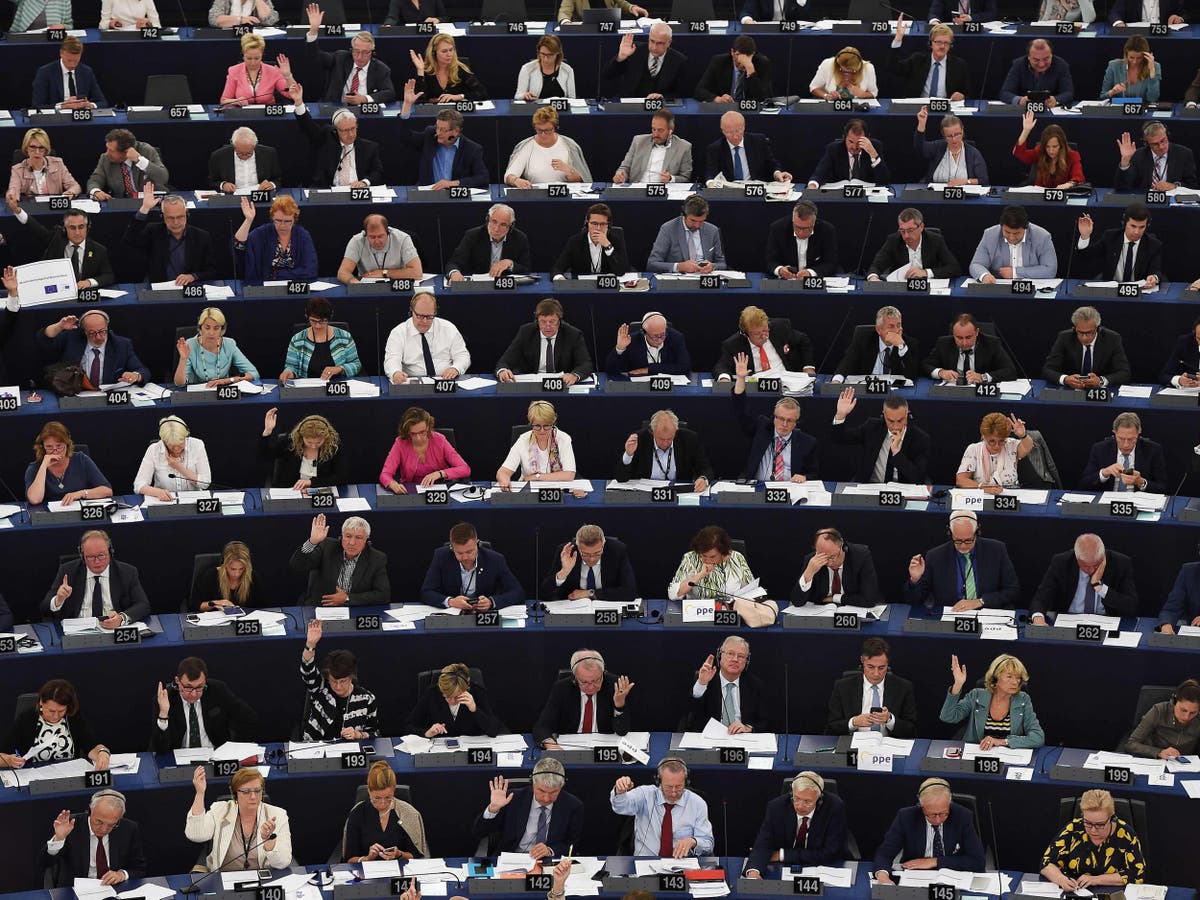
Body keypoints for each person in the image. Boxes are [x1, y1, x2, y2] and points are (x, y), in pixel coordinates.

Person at [872, 779, 986, 883]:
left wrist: (935, 861)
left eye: (943, 813)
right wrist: (882, 876)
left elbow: (977, 862)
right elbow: (884, 854)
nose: (938, 819)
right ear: (921, 807)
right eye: (931, 815)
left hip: (953, 876)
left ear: (949, 804)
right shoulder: (906, 817)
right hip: (915, 876)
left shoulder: (962, 816)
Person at [905, 510, 1020, 610]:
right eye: (958, 541)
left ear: (977, 532)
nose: (964, 546)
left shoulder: (996, 550)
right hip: (952, 614)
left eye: (969, 540)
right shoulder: (935, 556)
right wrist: (915, 580)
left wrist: (980, 601)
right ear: (950, 533)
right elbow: (914, 601)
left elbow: (1012, 591)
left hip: (987, 612)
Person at [186, 766, 291, 871]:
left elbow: (282, 863)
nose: (253, 796)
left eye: (258, 790)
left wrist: (269, 842)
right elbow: (196, 835)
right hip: (223, 879)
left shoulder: (278, 815)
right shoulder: (220, 810)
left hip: (262, 881)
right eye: (246, 792)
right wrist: (200, 793)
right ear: (235, 793)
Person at [732, 353, 818, 482]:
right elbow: (742, 411)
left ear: (796, 423)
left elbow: (814, 473)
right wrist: (740, 378)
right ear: (774, 417)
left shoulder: (807, 442)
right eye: (780, 418)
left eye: (789, 420)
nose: (784, 424)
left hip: (789, 491)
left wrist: (804, 477)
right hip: (757, 488)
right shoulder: (761, 429)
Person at [473, 759, 583, 858]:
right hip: (512, 860)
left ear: (561, 787)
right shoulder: (513, 799)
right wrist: (493, 809)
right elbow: (479, 833)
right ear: (533, 784)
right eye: (542, 791)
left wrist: (551, 850)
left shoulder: (573, 806)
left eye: (553, 792)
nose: (546, 798)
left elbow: (573, 844)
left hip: (550, 863)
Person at [744, 771, 847, 876]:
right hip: (782, 868)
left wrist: (782, 855)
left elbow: (830, 852)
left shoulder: (834, 808)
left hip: (821, 867)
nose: (800, 806)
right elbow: (763, 843)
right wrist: (753, 871)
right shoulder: (776, 807)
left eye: (807, 802)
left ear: (819, 799)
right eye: (796, 798)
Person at [670, 530, 779, 630]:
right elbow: (673, 594)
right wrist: (700, 574)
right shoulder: (690, 558)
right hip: (699, 618)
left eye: (712, 556)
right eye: (703, 555)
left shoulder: (737, 558)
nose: (707, 560)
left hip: (730, 619)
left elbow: (751, 589)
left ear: (724, 553)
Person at [1040, 789, 1146, 888]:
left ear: (1112, 818)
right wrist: (1061, 880)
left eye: (1100, 825)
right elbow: (1047, 863)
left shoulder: (1126, 834)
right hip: (1076, 892)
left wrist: (1096, 880)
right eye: (1088, 823)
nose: (1093, 830)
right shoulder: (1073, 829)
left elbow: (1136, 873)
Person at [151, 656, 259, 752]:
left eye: (199, 687)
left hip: (216, 755)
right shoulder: (165, 699)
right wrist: (164, 714)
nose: (193, 694)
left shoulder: (217, 690)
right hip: (178, 758)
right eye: (188, 687)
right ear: (177, 681)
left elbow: (249, 719)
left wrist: (236, 748)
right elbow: (160, 749)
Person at [41, 789, 145, 887]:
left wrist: (122, 874)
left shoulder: (128, 828)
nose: (104, 829)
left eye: (111, 825)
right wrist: (59, 838)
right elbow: (45, 862)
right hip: (75, 890)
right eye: (99, 822)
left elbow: (139, 868)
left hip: (113, 889)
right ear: (90, 810)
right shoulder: (70, 825)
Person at [610, 758, 714, 857]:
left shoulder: (697, 804)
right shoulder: (644, 795)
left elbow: (708, 844)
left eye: (678, 787)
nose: (673, 793)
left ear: (686, 782)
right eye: (668, 787)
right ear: (658, 781)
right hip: (646, 863)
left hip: (682, 863)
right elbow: (620, 806)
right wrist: (620, 791)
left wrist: (694, 842)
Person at [288, 82, 383, 188]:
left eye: (353, 129)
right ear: (336, 130)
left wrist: (365, 182)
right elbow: (309, 128)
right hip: (330, 193)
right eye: (345, 130)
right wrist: (299, 103)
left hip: (357, 194)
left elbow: (377, 172)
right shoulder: (325, 141)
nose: (351, 134)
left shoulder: (369, 148)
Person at [940, 653, 1045, 748]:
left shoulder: (1023, 699)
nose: (1015, 682)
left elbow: (1038, 738)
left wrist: (1002, 741)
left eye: (1018, 678)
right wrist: (958, 685)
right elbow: (947, 717)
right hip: (977, 753)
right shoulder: (976, 695)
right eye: (1009, 677)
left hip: (1008, 756)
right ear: (995, 678)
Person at [0, 679, 109, 770]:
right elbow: (3, 756)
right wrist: (9, 760)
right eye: (51, 711)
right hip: (33, 776)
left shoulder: (73, 717)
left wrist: (102, 752)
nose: (56, 716)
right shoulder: (26, 719)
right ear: (41, 702)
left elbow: (90, 744)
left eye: (61, 711)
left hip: (69, 773)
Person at [533, 647, 635, 742]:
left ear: (602, 673)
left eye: (596, 680)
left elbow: (622, 731)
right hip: (571, 746)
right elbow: (542, 727)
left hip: (604, 747)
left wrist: (619, 706)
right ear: (575, 678)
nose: (591, 687)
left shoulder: (616, 687)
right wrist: (551, 744)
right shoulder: (561, 689)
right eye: (584, 682)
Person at [1030, 533, 1138, 622]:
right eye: (1086, 566)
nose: (1091, 570)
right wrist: (1038, 618)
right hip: (1069, 621)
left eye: (1096, 565)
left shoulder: (1120, 564)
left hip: (1106, 622)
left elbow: (1131, 606)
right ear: (1077, 559)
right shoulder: (1062, 563)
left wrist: (1100, 587)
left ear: (1103, 556)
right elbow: (1041, 598)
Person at [299, 619, 379, 737]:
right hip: (317, 748)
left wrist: (358, 735)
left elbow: (375, 734)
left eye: (343, 681)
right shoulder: (320, 688)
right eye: (333, 681)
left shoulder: (367, 699)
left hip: (349, 751)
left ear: (351, 676)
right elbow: (307, 670)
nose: (338, 686)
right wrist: (310, 644)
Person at [8, 202, 115, 289]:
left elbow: (109, 276)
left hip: (84, 294)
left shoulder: (98, 250)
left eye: (81, 227)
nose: (77, 232)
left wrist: (89, 282)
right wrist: (17, 211)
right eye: (72, 228)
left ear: (88, 227)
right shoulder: (57, 239)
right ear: (65, 229)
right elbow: (37, 229)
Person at [831, 390, 931, 484]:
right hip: (870, 487)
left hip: (903, 490)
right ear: (883, 415)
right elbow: (840, 438)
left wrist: (896, 452)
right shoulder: (872, 427)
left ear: (907, 415)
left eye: (900, 420)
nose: (895, 426)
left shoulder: (921, 439)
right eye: (891, 421)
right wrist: (840, 415)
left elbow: (918, 478)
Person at [125, 186, 218, 287]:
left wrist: (193, 276)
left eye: (180, 217)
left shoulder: (201, 237)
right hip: (159, 288)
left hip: (189, 289)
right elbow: (130, 240)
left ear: (187, 215)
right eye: (170, 218)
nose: (176, 222)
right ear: (162, 217)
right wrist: (145, 208)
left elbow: (212, 271)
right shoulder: (153, 231)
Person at [302, 5, 395, 105]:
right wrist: (313, 30)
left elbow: (389, 93)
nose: (359, 57)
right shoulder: (340, 58)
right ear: (351, 50)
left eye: (364, 52)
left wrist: (364, 99)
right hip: (337, 110)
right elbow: (315, 56)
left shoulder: (381, 69)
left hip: (363, 113)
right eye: (356, 51)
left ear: (372, 52)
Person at [290, 515, 389, 608]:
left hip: (353, 610)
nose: (352, 543)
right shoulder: (326, 547)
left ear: (366, 539)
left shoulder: (376, 558)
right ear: (342, 536)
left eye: (358, 537)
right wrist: (312, 542)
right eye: (348, 536)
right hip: (320, 608)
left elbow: (383, 595)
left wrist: (347, 598)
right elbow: (297, 566)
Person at [420, 522, 524, 610]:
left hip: (483, 616)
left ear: (477, 544)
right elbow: (426, 592)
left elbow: (517, 591)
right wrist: (451, 602)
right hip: (454, 613)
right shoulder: (441, 557)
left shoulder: (495, 559)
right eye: (459, 553)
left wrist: (491, 602)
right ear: (452, 547)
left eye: (469, 552)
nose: (465, 557)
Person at [826, 637, 918, 737]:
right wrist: (853, 722)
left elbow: (911, 730)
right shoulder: (843, 687)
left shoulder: (903, 688)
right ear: (862, 661)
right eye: (871, 667)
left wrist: (890, 720)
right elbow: (831, 728)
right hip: (854, 746)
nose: (876, 673)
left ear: (888, 664)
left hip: (887, 747)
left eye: (881, 668)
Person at [41, 310, 149, 389]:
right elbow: (43, 340)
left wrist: (136, 376)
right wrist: (59, 327)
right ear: (84, 332)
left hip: (108, 397)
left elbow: (143, 371)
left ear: (107, 327)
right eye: (92, 333)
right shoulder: (72, 339)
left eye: (102, 331)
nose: (99, 337)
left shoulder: (121, 345)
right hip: (75, 393)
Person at [398, 99, 491, 190]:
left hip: (454, 196)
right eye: (437, 128)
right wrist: (407, 104)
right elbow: (405, 136)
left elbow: (483, 177)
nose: (438, 132)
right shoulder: (430, 136)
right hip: (428, 192)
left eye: (443, 130)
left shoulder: (471, 149)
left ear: (455, 132)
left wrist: (452, 184)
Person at [343, 760, 425, 863]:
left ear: (394, 791)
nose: (382, 803)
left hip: (401, 873)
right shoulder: (358, 813)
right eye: (376, 798)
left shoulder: (409, 813)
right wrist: (367, 858)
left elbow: (417, 856)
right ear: (369, 791)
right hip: (367, 875)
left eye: (388, 798)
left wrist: (399, 854)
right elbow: (349, 859)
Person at [495, 298, 593, 385]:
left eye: (552, 321)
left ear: (559, 320)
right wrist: (502, 371)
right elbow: (504, 361)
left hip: (560, 385)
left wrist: (574, 375)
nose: (547, 326)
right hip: (532, 384)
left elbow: (586, 364)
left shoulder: (572, 334)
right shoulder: (526, 332)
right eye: (543, 321)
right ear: (537, 320)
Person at [684, 635, 770, 730]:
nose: (735, 659)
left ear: (747, 661)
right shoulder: (705, 679)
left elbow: (765, 722)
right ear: (720, 656)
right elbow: (689, 713)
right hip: (709, 738)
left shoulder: (755, 685)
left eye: (741, 656)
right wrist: (702, 684)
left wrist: (748, 728)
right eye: (730, 654)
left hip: (743, 739)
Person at [379, 406, 471, 493]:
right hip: (411, 490)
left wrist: (440, 473)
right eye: (413, 434)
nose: (418, 438)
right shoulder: (400, 443)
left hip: (440, 489)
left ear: (428, 427)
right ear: (407, 431)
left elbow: (465, 469)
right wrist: (392, 484)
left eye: (422, 432)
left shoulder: (440, 440)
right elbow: (385, 474)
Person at [616, 410, 713, 493]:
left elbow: (705, 468)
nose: (665, 443)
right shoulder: (639, 440)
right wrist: (628, 455)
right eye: (661, 439)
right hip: (646, 494)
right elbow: (621, 477)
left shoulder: (689, 439)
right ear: (652, 432)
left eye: (669, 438)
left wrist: (704, 479)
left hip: (679, 493)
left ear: (675, 431)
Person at [383, 293, 470, 384]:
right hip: (414, 384)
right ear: (411, 311)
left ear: (435, 313)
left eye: (429, 317)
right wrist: (395, 372)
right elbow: (392, 359)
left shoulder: (448, 328)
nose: (424, 321)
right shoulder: (398, 332)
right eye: (420, 316)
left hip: (445, 382)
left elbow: (462, 355)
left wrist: (455, 368)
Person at [539, 528, 638, 604]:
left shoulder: (617, 551)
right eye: (585, 554)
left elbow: (630, 591)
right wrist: (563, 572)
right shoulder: (567, 553)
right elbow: (544, 593)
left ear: (603, 545)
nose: (592, 559)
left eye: (597, 553)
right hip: (573, 609)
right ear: (578, 547)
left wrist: (590, 593)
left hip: (607, 607)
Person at [712, 306, 814, 380]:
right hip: (757, 386)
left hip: (787, 381)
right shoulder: (733, 344)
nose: (764, 335)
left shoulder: (780, 328)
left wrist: (808, 367)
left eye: (765, 330)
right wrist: (723, 379)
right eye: (757, 333)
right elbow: (721, 366)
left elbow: (803, 340)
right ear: (745, 333)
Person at [25, 421, 113, 506]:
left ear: (67, 444)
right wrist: (43, 466)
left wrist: (81, 493)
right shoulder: (35, 467)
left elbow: (107, 491)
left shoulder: (81, 460)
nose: (55, 451)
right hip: (50, 517)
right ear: (43, 447)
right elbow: (35, 499)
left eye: (59, 446)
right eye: (49, 447)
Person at [1040, 306, 1131, 389]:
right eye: (1080, 333)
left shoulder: (1112, 339)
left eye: (1088, 333)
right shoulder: (1065, 337)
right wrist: (1066, 379)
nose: (1084, 337)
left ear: (1097, 328)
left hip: (1100, 393)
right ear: (1075, 328)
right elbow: (1048, 369)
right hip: (1071, 391)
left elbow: (1124, 373)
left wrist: (1101, 381)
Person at [234, 195, 318, 285]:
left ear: (294, 219)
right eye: (278, 220)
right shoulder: (262, 233)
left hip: (294, 287)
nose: (282, 225)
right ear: (272, 217)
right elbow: (239, 246)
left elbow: (311, 269)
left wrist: (277, 275)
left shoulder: (302, 235)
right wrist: (248, 221)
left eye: (287, 221)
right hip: (265, 287)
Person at [496, 400, 580, 488]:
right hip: (529, 491)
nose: (542, 430)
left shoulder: (563, 439)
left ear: (553, 422)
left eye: (547, 425)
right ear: (531, 423)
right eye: (537, 426)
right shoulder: (523, 440)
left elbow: (569, 474)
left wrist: (537, 477)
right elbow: (503, 471)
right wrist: (504, 482)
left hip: (557, 491)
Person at [1073, 204, 1162, 286]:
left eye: (1141, 227)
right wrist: (1085, 236)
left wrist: (1154, 277)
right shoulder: (1111, 238)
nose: (1136, 232)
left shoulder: (1152, 244)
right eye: (1133, 226)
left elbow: (1156, 270)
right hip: (1111, 290)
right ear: (1124, 223)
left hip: (1139, 292)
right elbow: (1087, 256)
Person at [406, 661, 503, 737]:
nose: (452, 701)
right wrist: (427, 733)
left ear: (466, 689)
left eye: (457, 696)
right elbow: (409, 726)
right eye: (447, 696)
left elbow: (493, 730)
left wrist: (475, 710)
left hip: (470, 751)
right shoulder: (432, 693)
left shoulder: (477, 692)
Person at [791, 527, 882, 607]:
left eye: (832, 557)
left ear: (842, 546)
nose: (829, 563)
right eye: (823, 557)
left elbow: (870, 599)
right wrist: (808, 573)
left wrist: (835, 598)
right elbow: (797, 602)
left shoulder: (861, 556)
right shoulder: (812, 561)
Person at [280, 297, 363, 384]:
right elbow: (291, 366)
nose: (317, 326)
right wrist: (289, 372)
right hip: (308, 386)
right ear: (307, 317)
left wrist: (340, 369)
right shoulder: (297, 339)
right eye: (313, 321)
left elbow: (356, 364)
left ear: (329, 318)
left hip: (336, 385)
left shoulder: (344, 337)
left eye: (322, 321)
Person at [504, 106, 591, 188]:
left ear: (555, 127)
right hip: (536, 196)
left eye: (547, 130)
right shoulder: (526, 146)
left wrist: (569, 170)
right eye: (539, 130)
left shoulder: (569, 146)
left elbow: (583, 180)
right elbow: (509, 176)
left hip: (564, 196)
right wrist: (516, 180)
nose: (543, 134)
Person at [261, 409, 350, 490]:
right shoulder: (289, 443)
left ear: (326, 438)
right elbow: (265, 455)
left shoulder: (334, 448)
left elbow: (341, 477)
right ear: (301, 437)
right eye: (309, 442)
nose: (313, 446)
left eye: (318, 442)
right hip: (291, 491)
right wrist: (267, 431)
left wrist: (312, 482)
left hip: (320, 492)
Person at [1080, 411, 1166, 493]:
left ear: (1138, 434)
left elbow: (1163, 487)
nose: (1126, 444)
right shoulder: (1100, 449)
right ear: (1115, 433)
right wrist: (1104, 473)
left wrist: (1141, 482)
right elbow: (1084, 484)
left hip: (1138, 503)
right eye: (1121, 439)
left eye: (1131, 439)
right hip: (1109, 501)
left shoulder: (1153, 450)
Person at [831, 305, 921, 382]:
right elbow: (847, 363)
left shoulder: (909, 344)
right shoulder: (863, 337)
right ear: (879, 329)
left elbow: (911, 375)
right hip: (867, 389)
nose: (897, 330)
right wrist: (836, 380)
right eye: (891, 326)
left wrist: (902, 347)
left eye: (899, 325)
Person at [969, 205, 1058, 282]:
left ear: (1025, 228)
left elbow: (1050, 269)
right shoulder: (990, 235)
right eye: (1007, 232)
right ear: (1001, 226)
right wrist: (984, 276)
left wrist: (1015, 273)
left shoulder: (1042, 236)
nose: (1011, 237)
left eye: (1016, 233)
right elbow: (976, 264)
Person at [174, 307, 258, 388]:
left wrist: (226, 381)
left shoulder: (229, 344)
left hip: (223, 394)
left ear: (222, 330)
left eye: (216, 328)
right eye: (207, 328)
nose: (211, 333)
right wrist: (183, 359)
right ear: (200, 328)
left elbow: (254, 374)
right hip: (198, 395)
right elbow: (179, 383)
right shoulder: (190, 345)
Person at [887, 16, 969, 100]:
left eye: (946, 43)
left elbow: (968, 93)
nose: (942, 46)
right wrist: (898, 39)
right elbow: (894, 68)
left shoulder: (959, 65)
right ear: (930, 43)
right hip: (918, 107)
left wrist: (962, 96)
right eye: (938, 42)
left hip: (945, 108)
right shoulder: (917, 60)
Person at [867, 210, 960, 282]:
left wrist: (926, 272)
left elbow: (954, 268)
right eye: (902, 231)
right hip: (901, 289)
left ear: (921, 227)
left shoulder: (935, 240)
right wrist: (873, 277)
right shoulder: (894, 240)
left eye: (910, 230)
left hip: (928, 288)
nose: (906, 236)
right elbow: (876, 266)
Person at [924, 313, 1018, 385]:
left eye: (968, 337)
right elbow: (925, 365)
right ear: (953, 333)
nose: (964, 343)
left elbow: (1010, 371)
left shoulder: (991, 344)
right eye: (959, 338)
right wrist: (941, 372)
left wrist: (983, 377)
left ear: (977, 332)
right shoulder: (943, 343)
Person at [134, 414, 212, 501]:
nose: (176, 449)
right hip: (165, 502)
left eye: (180, 444)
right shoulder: (154, 450)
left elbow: (205, 483)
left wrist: (178, 467)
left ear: (186, 436)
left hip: (193, 502)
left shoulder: (197, 445)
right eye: (171, 445)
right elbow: (138, 485)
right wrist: (157, 492)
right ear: (164, 441)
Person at [600, 25, 688, 99]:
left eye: (660, 43)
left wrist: (663, 97)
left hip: (660, 108)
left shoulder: (679, 60)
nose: (654, 47)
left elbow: (681, 93)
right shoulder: (633, 50)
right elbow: (607, 74)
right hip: (630, 102)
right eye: (652, 41)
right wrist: (620, 57)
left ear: (669, 42)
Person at [446, 204, 531, 280]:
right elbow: (454, 262)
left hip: (505, 287)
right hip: (478, 287)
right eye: (494, 222)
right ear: (487, 220)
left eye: (503, 225)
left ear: (511, 226)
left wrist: (510, 263)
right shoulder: (473, 235)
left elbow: (526, 269)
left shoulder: (520, 238)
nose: (496, 229)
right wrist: (454, 273)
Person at [647, 194, 727, 274]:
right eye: (693, 220)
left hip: (705, 278)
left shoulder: (712, 230)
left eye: (701, 221)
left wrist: (712, 266)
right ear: (684, 215)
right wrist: (679, 266)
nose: (697, 225)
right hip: (678, 280)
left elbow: (722, 264)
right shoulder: (668, 229)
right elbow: (652, 264)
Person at [956, 412, 1034, 492]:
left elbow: (1027, 447)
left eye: (1001, 441)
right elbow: (961, 480)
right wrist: (983, 487)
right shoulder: (974, 449)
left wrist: (1023, 435)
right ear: (984, 436)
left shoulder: (1011, 445)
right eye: (992, 441)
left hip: (1010, 496)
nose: (997, 446)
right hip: (982, 496)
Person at [705, 110, 790, 182]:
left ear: (744, 127)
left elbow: (771, 163)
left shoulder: (759, 141)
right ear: (723, 131)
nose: (735, 136)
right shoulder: (715, 148)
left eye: (738, 131)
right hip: (730, 192)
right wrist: (710, 183)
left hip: (754, 189)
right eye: (730, 132)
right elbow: (711, 173)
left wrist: (777, 173)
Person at [336, 213, 422, 284]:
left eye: (380, 236)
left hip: (397, 285)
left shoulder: (403, 238)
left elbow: (417, 272)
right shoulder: (357, 241)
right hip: (367, 286)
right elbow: (343, 272)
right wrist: (353, 282)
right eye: (372, 237)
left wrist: (383, 273)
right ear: (365, 235)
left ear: (388, 232)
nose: (377, 241)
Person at [85, 128, 168, 201]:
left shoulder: (147, 151)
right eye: (107, 148)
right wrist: (96, 191)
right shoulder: (105, 158)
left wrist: (140, 160)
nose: (107, 153)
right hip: (122, 204)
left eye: (111, 151)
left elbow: (163, 178)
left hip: (150, 201)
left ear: (126, 152)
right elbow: (95, 180)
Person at [550, 203, 630, 279]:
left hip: (607, 288)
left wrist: (608, 246)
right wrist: (560, 279)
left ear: (608, 225)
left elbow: (622, 271)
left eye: (602, 224)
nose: (598, 228)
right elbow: (557, 268)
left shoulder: (614, 240)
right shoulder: (575, 242)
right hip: (583, 288)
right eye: (594, 223)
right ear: (587, 223)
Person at [612, 110, 693, 184]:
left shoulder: (683, 147)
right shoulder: (638, 141)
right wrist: (620, 175)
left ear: (670, 130)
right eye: (653, 129)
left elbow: (685, 177)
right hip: (638, 188)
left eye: (660, 130)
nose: (655, 134)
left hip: (663, 192)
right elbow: (625, 167)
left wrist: (671, 178)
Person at [1126, 679, 1200, 758]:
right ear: (1174, 701)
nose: (1186, 717)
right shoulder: (1159, 711)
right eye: (1183, 710)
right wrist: (1159, 752)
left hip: (1186, 764)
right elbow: (1131, 744)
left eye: (1193, 713)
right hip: (1154, 760)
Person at [765, 200, 839, 279]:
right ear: (793, 220)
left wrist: (810, 273)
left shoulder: (826, 230)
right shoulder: (778, 228)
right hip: (787, 280)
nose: (800, 232)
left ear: (814, 223)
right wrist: (780, 270)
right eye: (797, 227)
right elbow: (770, 261)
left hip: (814, 281)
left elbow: (831, 262)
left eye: (806, 228)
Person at [1114, 122, 1197, 192]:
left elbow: (1193, 186)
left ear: (1167, 136)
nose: (1161, 146)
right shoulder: (1138, 155)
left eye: (1163, 140)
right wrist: (1125, 161)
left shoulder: (1184, 154)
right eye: (1155, 144)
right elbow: (1122, 188)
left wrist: (1174, 186)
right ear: (1147, 144)